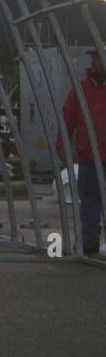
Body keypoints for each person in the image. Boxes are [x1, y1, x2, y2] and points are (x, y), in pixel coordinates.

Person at [55, 49, 106, 256]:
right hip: (89, 156)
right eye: (93, 58)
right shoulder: (81, 88)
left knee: (91, 198)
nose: (93, 63)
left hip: (95, 154)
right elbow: (69, 115)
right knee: (89, 199)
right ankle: (90, 241)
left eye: (97, 59)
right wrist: (62, 144)